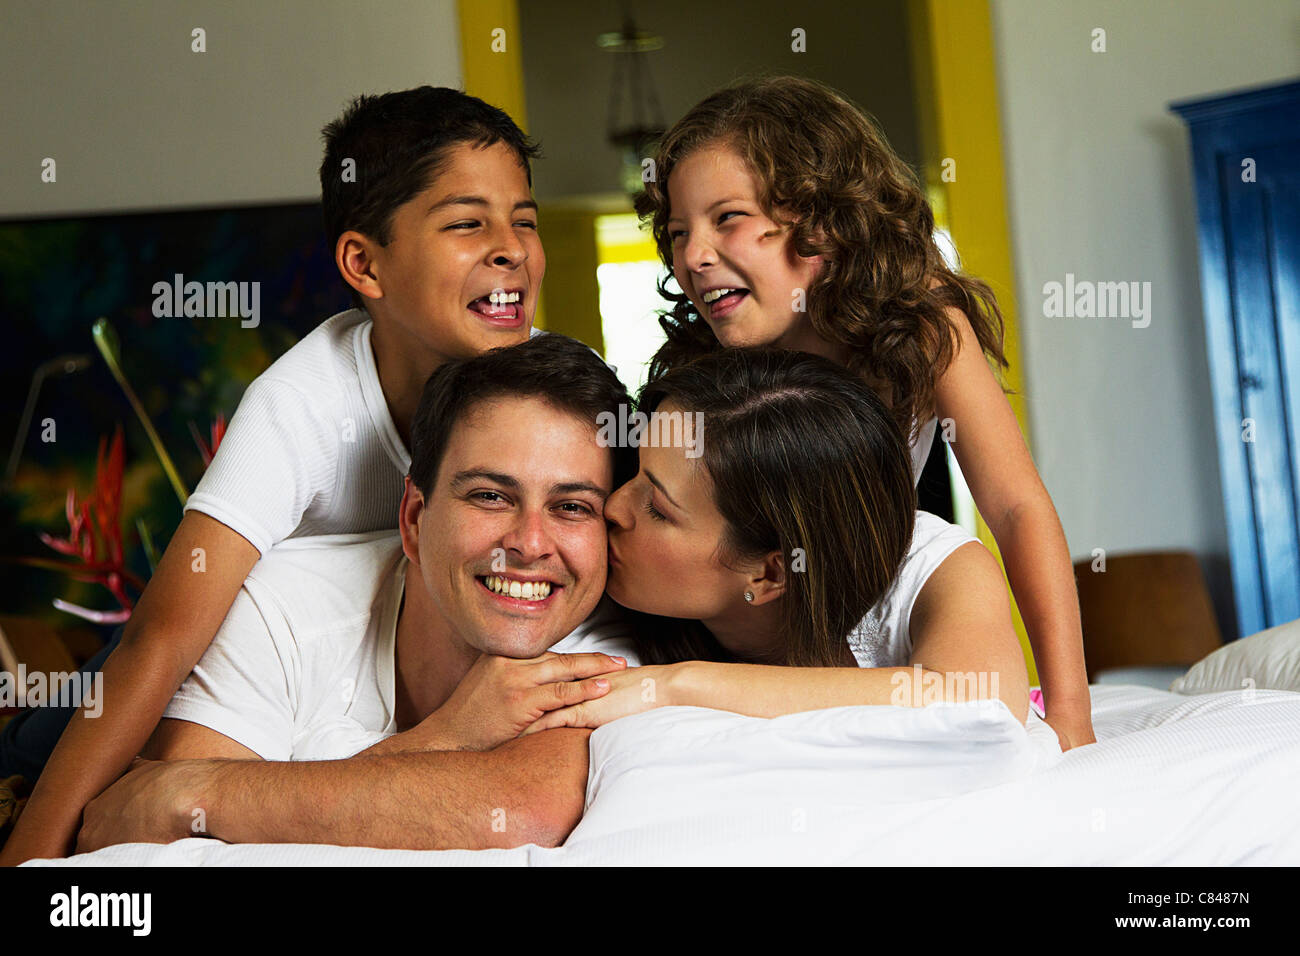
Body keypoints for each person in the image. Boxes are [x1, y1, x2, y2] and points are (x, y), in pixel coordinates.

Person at [0, 86, 603, 865]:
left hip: (387, 658)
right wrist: (31, 864)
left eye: (523, 218)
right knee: (54, 757)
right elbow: (163, 638)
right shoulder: (300, 405)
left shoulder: (562, 392)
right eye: (466, 222)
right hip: (184, 661)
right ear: (365, 264)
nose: (512, 246)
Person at [629, 75, 1093, 749]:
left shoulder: (921, 324)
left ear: (819, 220)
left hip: (860, 623)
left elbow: (1016, 507)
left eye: (727, 218)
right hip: (741, 632)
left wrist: (1072, 713)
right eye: (677, 231)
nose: (693, 255)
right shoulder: (703, 364)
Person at [77, 334, 640, 853]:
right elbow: (151, 843)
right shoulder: (275, 603)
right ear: (415, 517)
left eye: (572, 507)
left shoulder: (611, 629)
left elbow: (516, 811)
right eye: (491, 496)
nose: (529, 544)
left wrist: (198, 792)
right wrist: (449, 737)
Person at [525, 348, 1031, 735]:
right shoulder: (590, 577)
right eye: (634, 471)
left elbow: (981, 703)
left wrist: (679, 685)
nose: (612, 507)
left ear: (770, 573)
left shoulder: (927, 563)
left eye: (657, 508)